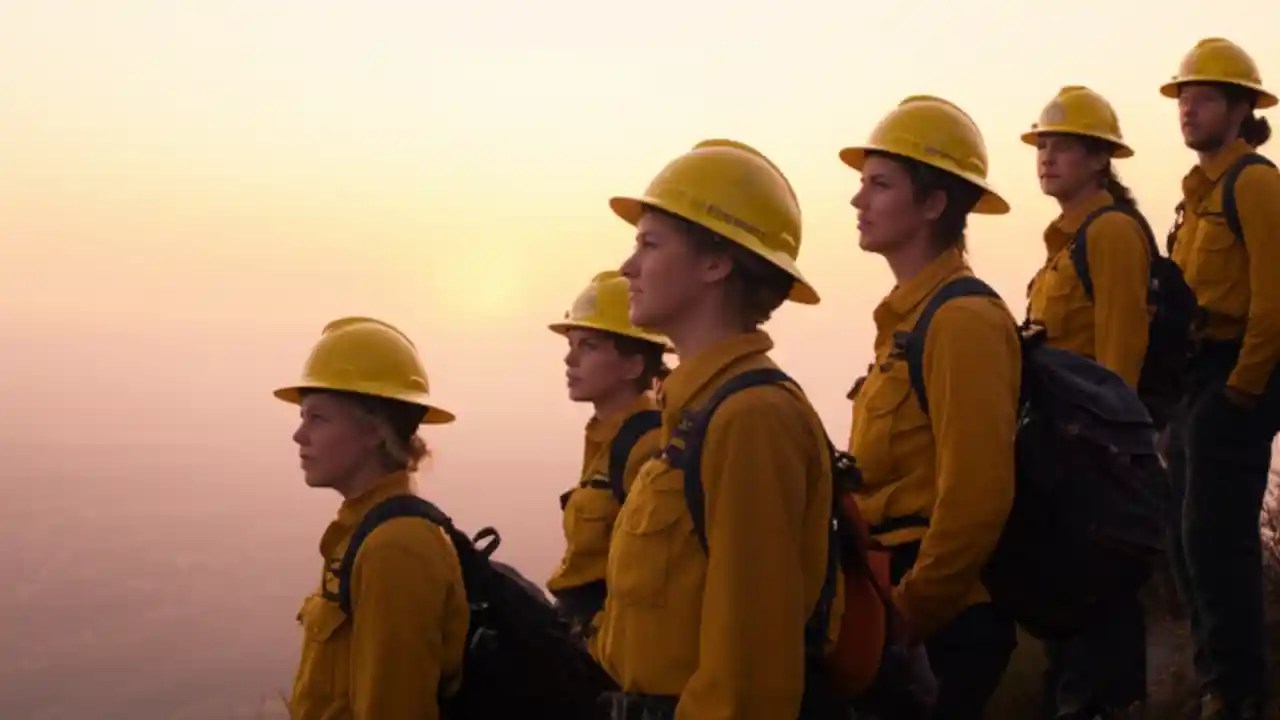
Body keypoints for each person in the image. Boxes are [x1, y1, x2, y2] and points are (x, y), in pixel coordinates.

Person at [591, 139, 836, 719]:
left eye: (650, 244)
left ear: (715, 262)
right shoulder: (698, 412)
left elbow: (749, 672)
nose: (628, 266)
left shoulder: (752, 418)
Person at [839, 95, 1021, 720]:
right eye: (862, 185)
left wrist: (911, 612)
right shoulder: (908, 320)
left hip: (942, 623)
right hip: (893, 596)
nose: (858, 201)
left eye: (879, 185)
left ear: (934, 203)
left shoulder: (962, 319)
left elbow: (977, 495)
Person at [1021, 84, 1152, 720]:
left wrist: (1110, 458)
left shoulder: (1112, 233)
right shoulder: (1061, 245)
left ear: (1101, 160)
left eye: (1063, 147)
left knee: (1103, 609)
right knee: (1069, 609)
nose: (1047, 157)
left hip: (1098, 454)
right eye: (1043, 145)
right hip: (1063, 449)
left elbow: (1121, 357)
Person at [1161, 37, 1280, 720]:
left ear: (1241, 110)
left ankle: (1237, 691)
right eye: (1183, 96)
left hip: (1239, 372)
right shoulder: (1195, 199)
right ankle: (1218, 681)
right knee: (1186, 535)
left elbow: (1272, 297)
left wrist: (1242, 388)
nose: (1188, 107)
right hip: (1197, 375)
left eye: (1203, 98)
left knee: (1215, 534)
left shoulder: (1255, 182)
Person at [278, 316, 468, 720]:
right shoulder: (368, 532)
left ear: (373, 432)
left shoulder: (396, 548)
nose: (299, 436)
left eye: (318, 418)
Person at [546, 270, 671, 637]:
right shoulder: (607, 435)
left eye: (589, 346)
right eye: (571, 344)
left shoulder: (649, 444)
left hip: (610, 649)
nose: (570, 360)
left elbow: (650, 574)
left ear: (634, 365)